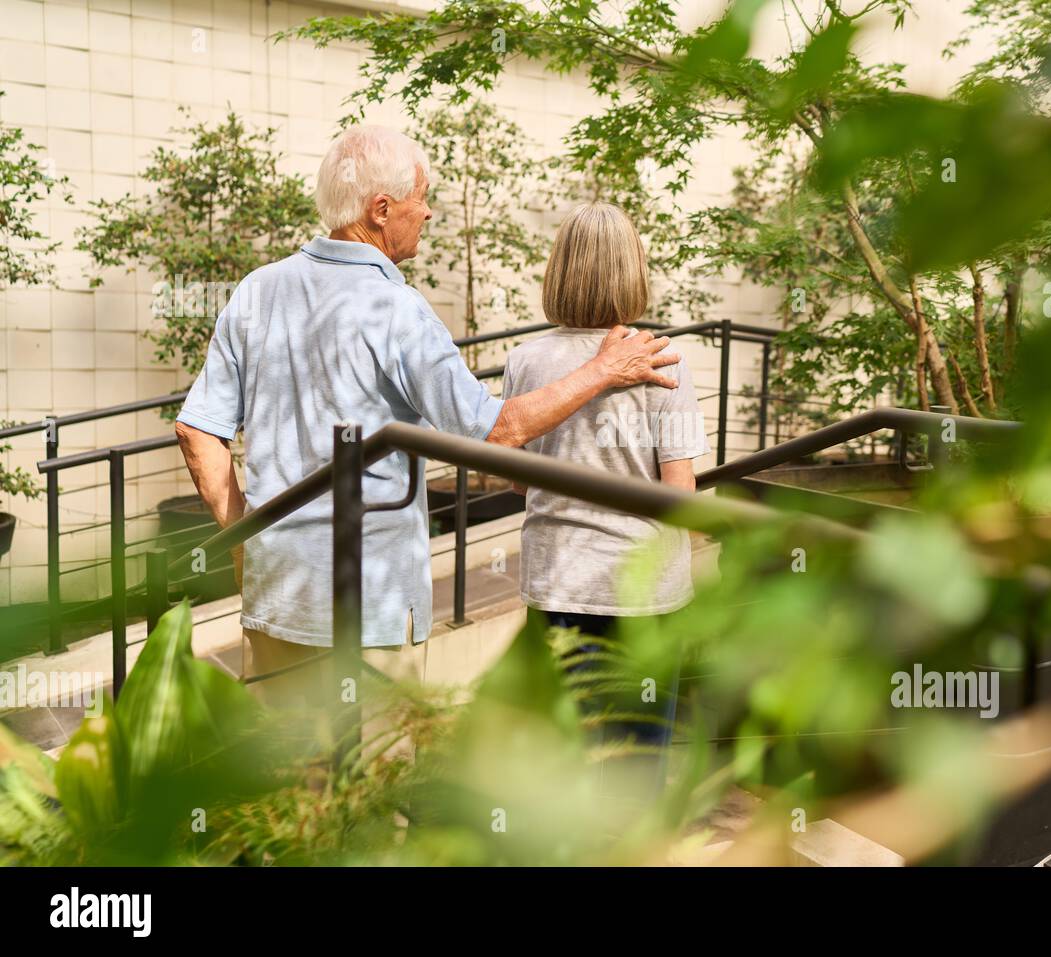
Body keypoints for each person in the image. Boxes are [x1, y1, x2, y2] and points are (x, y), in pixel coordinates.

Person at [174, 127, 680, 704]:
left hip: (276, 594)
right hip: (371, 609)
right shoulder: (397, 308)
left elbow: (197, 430)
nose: (430, 211)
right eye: (422, 196)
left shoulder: (257, 292)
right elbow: (495, 430)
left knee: (285, 783)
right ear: (381, 209)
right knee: (368, 780)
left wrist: (244, 541)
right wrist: (604, 370)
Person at [502, 202, 711, 785]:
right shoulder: (664, 359)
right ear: (632, 269)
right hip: (645, 590)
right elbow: (679, 493)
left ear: (559, 271)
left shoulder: (525, 360)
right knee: (641, 758)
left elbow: (517, 477)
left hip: (559, 583)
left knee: (567, 758)